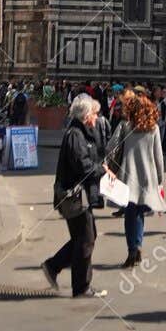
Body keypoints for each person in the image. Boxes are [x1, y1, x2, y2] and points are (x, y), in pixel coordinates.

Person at [42, 92, 107, 299]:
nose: (97, 118)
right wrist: (102, 170)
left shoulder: (81, 132)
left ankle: (53, 266)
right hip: (73, 196)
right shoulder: (75, 135)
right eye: (95, 114)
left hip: (80, 195)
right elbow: (82, 166)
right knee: (86, 239)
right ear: (87, 115)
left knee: (85, 237)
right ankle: (80, 287)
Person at [106, 89, 166, 267]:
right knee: (139, 212)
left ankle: (132, 249)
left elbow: (111, 147)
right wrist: (160, 179)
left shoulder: (126, 126)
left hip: (127, 175)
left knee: (130, 213)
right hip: (147, 176)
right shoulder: (153, 128)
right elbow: (158, 157)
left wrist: (111, 164)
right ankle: (137, 245)